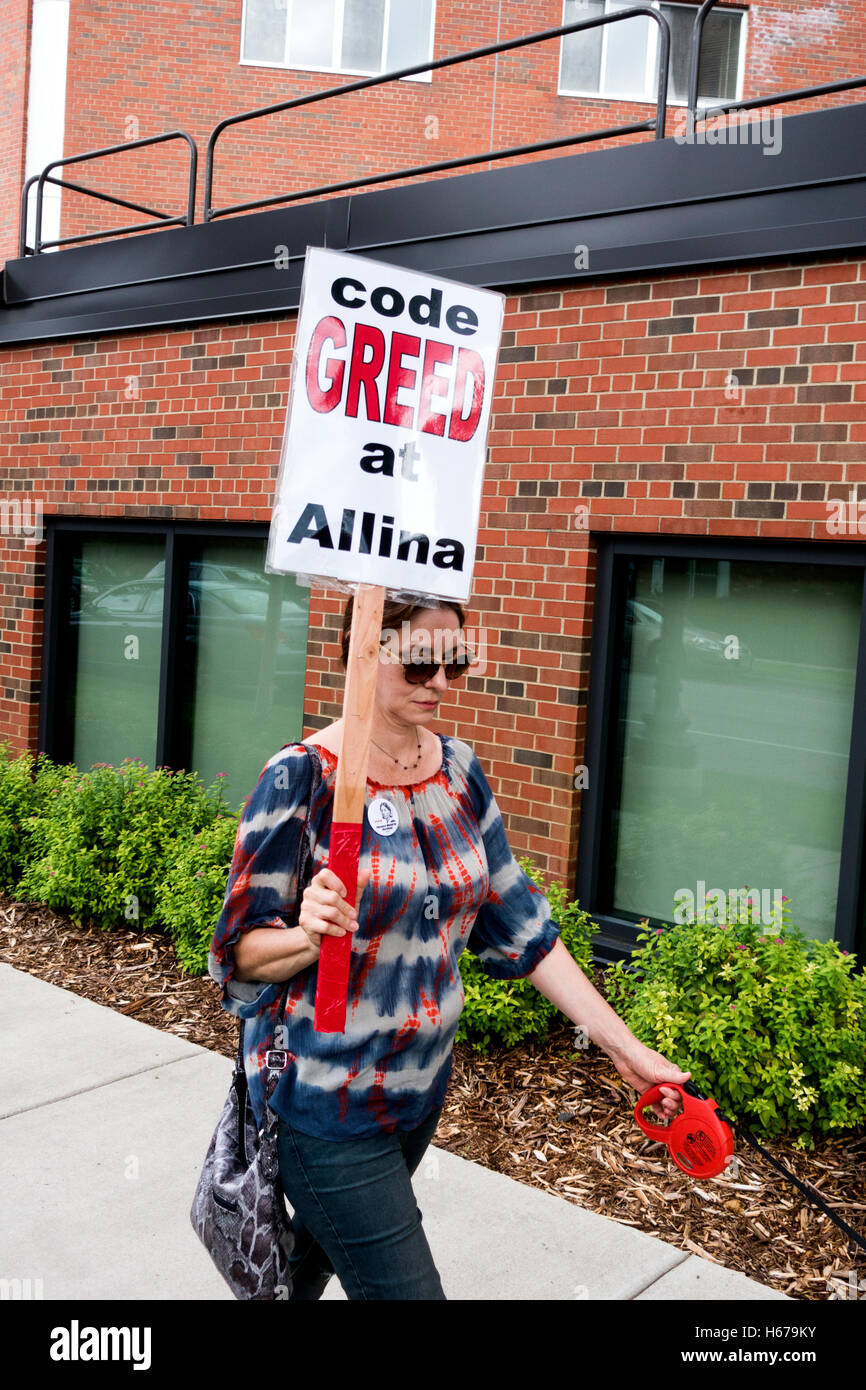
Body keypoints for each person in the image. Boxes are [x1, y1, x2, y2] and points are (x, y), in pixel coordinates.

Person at [208, 593, 691, 1300]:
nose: (440, 682)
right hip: (325, 1101)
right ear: (365, 653)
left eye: (454, 663)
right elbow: (239, 952)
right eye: (420, 665)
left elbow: (524, 927)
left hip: (418, 1093)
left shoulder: (460, 773)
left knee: (306, 1264)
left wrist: (625, 1049)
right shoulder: (303, 777)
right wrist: (307, 936)